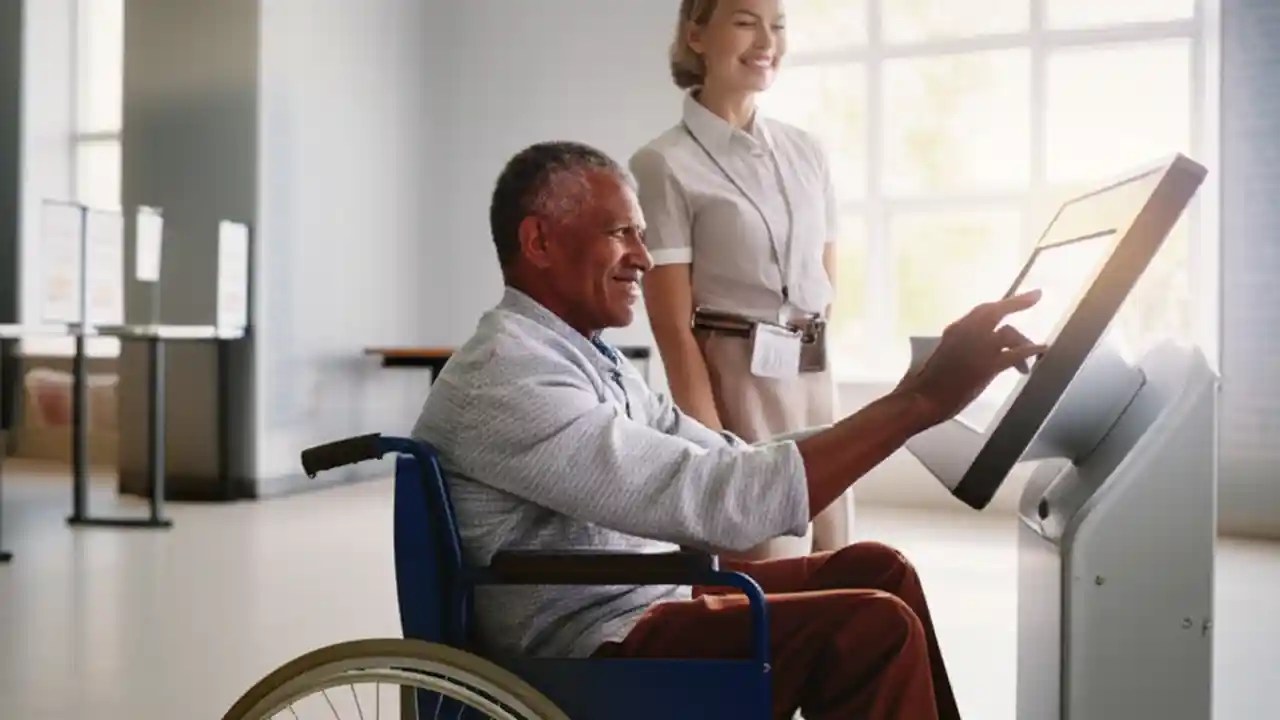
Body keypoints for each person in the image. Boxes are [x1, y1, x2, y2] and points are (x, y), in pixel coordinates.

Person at [412, 141, 1043, 720]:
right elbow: (719, 505)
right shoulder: (509, 378)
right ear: (540, 241)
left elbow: (727, 458)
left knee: (879, 570)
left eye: (642, 233)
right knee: (870, 629)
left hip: (645, 599)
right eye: (620, 233)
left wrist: (903, 403)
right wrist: (919, 403)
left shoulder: (583, 357)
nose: (644, 256)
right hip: (593, 643)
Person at [631, 0, 852, 561]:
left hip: (812, 380)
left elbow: (824, 287)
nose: (767, 42)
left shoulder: (809, 153)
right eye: (746, 22)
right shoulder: (663, 163)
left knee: (837, 562)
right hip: (735, 387)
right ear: (697, 35)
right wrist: (714, 448)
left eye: (777, 25)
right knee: (764, 571)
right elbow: (674, 331)